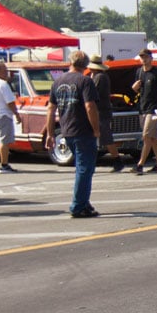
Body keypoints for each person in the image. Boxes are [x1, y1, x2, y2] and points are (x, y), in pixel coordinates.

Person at [43, 51, 101, 218]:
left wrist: (50, 133)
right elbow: (90, 106)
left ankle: (84, 201)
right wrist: (96, 128)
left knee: (83, 168)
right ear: (86, 65)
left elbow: (51, 109)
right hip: (83, 129)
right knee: (85, 168)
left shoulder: (58, 81)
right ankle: (77, 206)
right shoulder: (85, 81)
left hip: (66, 129)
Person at [130, 48, 157, 174]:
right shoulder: (139, 72)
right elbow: (137, 90)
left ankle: (140, 164)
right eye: (142, 57)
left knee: (146, 136)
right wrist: (134, 88)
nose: (143, 59)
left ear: (151, 58)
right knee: (153, 138)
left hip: (154, 109)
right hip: (143, 108)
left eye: (146, 57)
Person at [85, 55, 125, 172]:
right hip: (101, 110)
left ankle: (117, 161)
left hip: (101, 111)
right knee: (102, 137)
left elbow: (93, 93)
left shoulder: (100, 77)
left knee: (106, 138)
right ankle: (114, 160)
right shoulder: (100, 76)